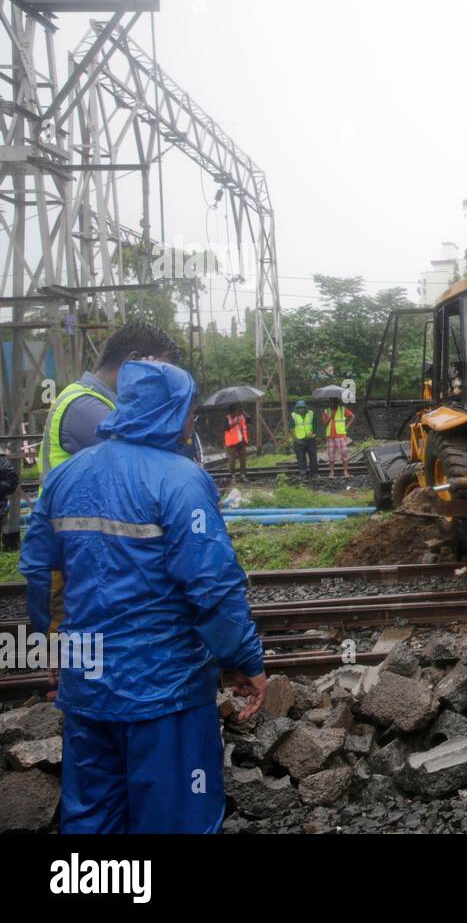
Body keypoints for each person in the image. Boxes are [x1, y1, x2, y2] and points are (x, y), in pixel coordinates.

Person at [21, 360, 266, 833]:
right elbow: (211, 587)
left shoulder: (64, 477)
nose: (193, 420)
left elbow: (36, 569)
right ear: (172, 413)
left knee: (92, 816)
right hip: (164, 694)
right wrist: (245, 660)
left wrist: (49, 645)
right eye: (190, 410)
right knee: (176, 818)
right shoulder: (181, 479)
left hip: (87, 688)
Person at [38, 322, 182, 483]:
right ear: (134, 361)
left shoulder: (115, 403)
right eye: (162, 372)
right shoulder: (83, 406)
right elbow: (147, 465)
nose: (164, 383)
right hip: (64, 508)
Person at [325, 395, 354, 479]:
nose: (332, 403)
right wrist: (331, 416)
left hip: (340, 435)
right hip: (330, 436)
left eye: (334, 402)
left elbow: (353, 416)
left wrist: (347, 425)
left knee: (344, 454)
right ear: (329, 402)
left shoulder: (342, 409)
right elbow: (325, 424)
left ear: (337, 402)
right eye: (331, 402)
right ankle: (331, 472)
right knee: (331, 455)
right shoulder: (326, 411)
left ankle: (345, 471)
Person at [292, 400, 318, 478]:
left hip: (310, 439)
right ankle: (303, 472)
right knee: (300, 457)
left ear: (305, 408)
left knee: (313, 456)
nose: (301, 410)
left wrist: (312, 431)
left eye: (303, 408)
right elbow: (291, 428)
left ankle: (314, 472)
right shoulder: (293, 415)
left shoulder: (311, 414)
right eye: (299, 408)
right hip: (299, 439)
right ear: (297, 409)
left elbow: (315, 424)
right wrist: (295, 438)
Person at [224, 405, 251, 482]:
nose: (237, 412)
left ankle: (243, 475)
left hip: (240, 441)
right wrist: (234, 424)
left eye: (238, 411)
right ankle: (233, 476)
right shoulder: (227, 418)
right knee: (232, 460)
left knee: (243, 458)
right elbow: (224, 428)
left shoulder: (240, 417)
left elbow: (249, 420)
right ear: (231, 412)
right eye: (236, 411)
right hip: (231, 443)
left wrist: (244, 413)